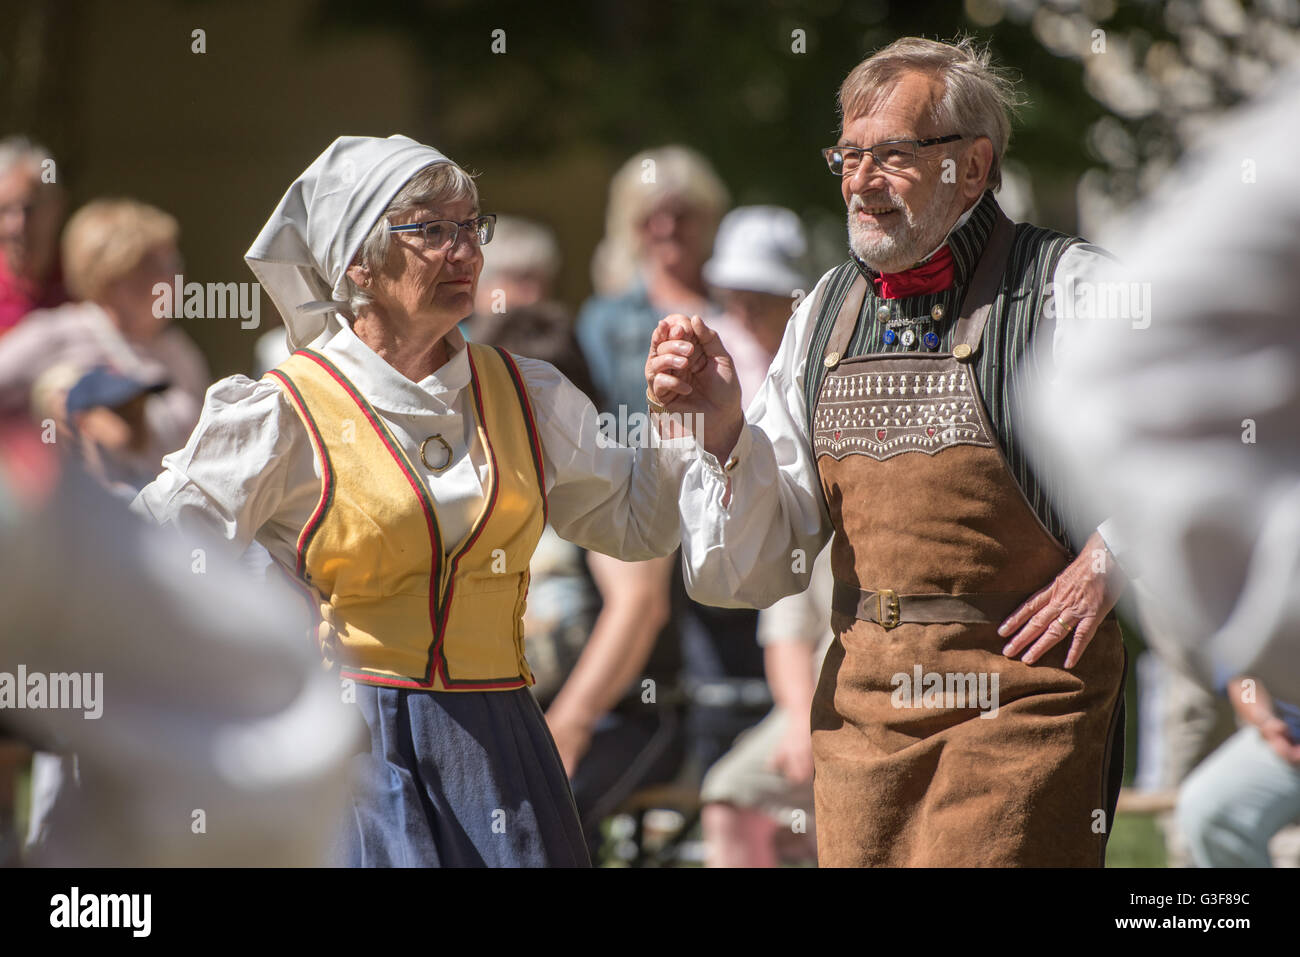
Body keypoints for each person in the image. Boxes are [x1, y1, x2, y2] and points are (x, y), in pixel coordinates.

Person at [131, 134, 683, 867]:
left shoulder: (527, 392)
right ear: (357, 261)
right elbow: (148, 552)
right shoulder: (286, 409)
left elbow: (639, 525)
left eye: (470, 227)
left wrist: (683, 415)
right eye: (432, 230)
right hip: (357, 742)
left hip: (505, 741)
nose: (465, 253)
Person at [647, 36, 1130, 866]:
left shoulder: (1070, 291)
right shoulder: (822, 314)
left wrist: (1110, 559)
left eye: (894, 155)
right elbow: (761, 560)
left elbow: (1210, 441)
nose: (861, 183)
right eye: (850, 155)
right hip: (863, 715)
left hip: (1022, 703)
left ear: (972, 169)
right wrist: (724, 429)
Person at [0, 198, 209, 484]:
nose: (174, 279)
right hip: (82, 520)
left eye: (175, 265)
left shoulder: (178, 349)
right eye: (156, 267)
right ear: (112, 275)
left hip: (165, 523)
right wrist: (45, 409)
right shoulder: (57, 333)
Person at [0, 137, 66, 336]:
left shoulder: (84, 284)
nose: (15, 226)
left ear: (57, 207)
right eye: (3, 210)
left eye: (28, 209)